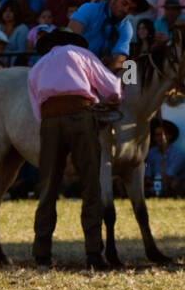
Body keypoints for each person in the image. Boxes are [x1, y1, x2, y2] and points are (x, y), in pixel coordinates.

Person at [27, 27, 122, 269]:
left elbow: (37, 108)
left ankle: (42, 253)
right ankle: (93, 253)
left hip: (50, 121)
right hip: (80, 115)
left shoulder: (38, 67)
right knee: (91, 183)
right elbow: (112, 89)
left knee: (48, 185)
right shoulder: (80, 53)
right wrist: (112, 99)